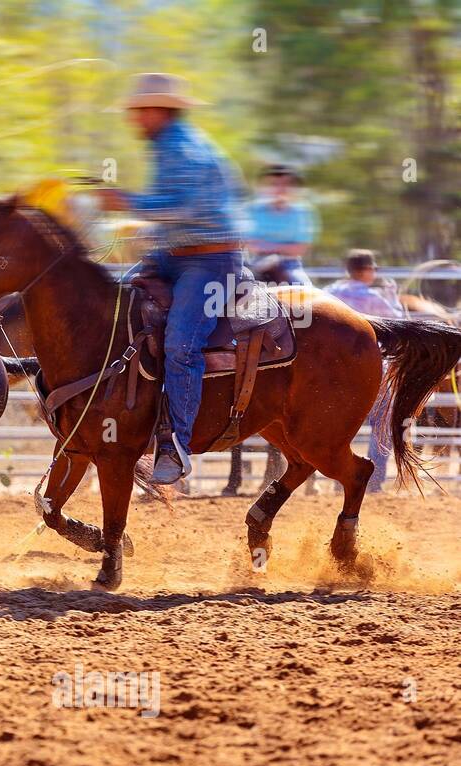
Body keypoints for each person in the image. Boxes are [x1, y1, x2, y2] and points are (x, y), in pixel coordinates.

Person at [96, 74, 248, 485]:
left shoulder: (185, 148)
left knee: (182, 342)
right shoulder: (169, 146)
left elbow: (185, 207)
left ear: (162, 111)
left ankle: (176, 445)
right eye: (136, 111)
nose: (136, 119)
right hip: (178, 253)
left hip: (211, 260)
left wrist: (124, 201)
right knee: (108, 305)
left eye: (143, 110)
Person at [325, 249, 404, 491]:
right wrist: (393, 297)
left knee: (336, 426)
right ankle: (374, 481)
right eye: (373, 268)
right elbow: (398, 321)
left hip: (332, 372)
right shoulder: (374, 298)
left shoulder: (330, 294)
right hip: (370, 370)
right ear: (367, 270)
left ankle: (340, 477)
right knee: (383, 422)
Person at [243, 164, 318, 285]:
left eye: (285, 184)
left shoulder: (302, 212)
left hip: (290, 265)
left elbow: (300, 248)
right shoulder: (253, 209)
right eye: (274, 184)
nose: (280, 189)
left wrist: (268, 247)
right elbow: (250, 244)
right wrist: (284, 247)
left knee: (304, 290)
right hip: (258, 263)